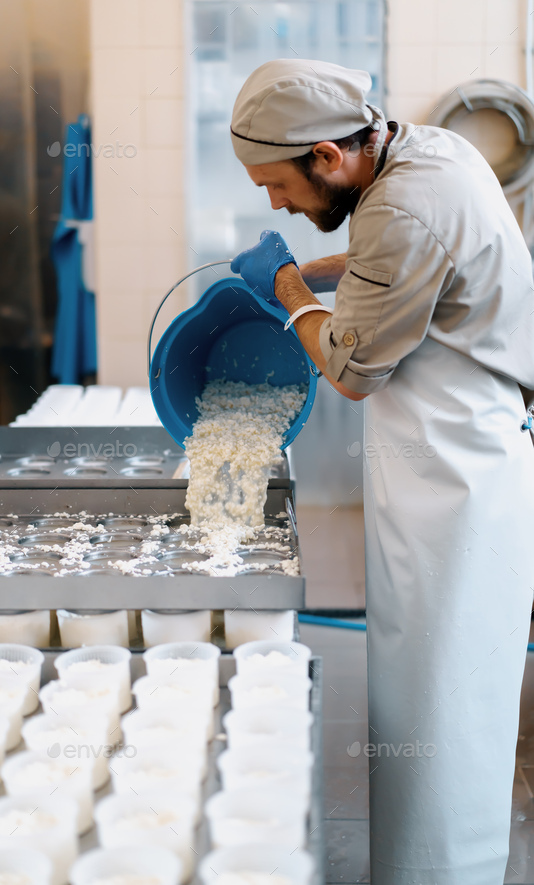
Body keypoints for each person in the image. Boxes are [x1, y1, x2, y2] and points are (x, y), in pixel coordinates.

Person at [229, 59, 534, 885]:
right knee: (429, 687)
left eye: (279, 185)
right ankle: (422, 864)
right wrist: (312, 277)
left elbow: (350, 369)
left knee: (442, 700)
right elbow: (392, 262)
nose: (277, 204)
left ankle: (439, 871)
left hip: (456, 482)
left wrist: (289, 290)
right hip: (444, 466)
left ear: (328, 156)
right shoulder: (426, 152)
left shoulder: (401, 206)